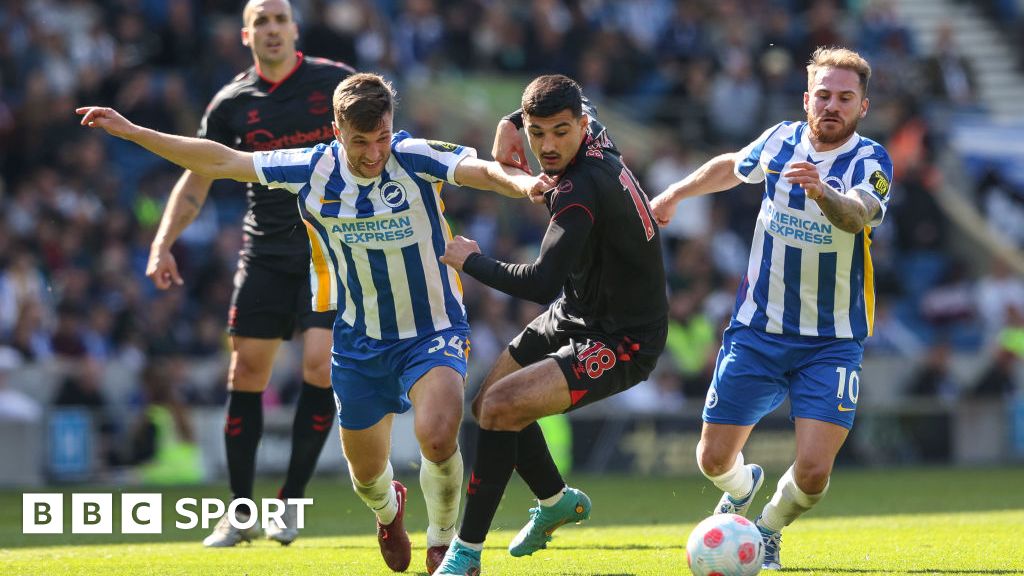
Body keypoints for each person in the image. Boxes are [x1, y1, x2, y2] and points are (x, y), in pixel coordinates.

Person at [78, 71, 550, 574]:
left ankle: (444, 542)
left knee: (438, 434)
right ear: (335, 130)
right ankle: (387, 509)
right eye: (360, 142)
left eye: (382, 137)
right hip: (358, 338)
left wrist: (528, 185)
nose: (374, 153)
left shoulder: (414, 156)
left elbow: (482, 170)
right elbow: (221, 160)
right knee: (366, 475)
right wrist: (133, 131)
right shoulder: (311, 167)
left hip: (432, 328)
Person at [649, 47, 894, 571]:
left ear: (862, 107)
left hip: (831, 341)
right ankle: (743, 488)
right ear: (807, 99)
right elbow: (730, 167)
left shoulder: (872, 161)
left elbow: (857, 216)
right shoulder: (781, 138)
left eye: (845, 98)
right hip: (758, 329)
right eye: (823, 95)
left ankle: (765, 533)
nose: (832, 105)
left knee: (812, 474)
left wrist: (822, 192)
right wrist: (674, 193)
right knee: (712, 459)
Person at [433, 74, 668, 575]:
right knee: (485, 404)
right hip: (576, 310)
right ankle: (556, 500)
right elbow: (555, 105)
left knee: (498, 408)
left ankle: (467, 554)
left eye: (560, 132)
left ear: (582, 126)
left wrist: (470, 261)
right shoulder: (593, 133)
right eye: (538, 133)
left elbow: (540, 283)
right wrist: (509, 122)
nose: (547, 145)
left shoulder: (579, 190)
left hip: (623, 336)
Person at [143, 0, 355, 548]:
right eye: (261, 21)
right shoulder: (230, 104)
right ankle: (239, 513)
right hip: (263, 253)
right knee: (246, 374)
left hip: (328, 251)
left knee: (318, 365)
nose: (272, 29)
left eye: (280, 18)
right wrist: (163, 242)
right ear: (246, 35)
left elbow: (379, 150)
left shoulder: (338, 86)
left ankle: (288, 504)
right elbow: (196, 181)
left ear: (295, 28)